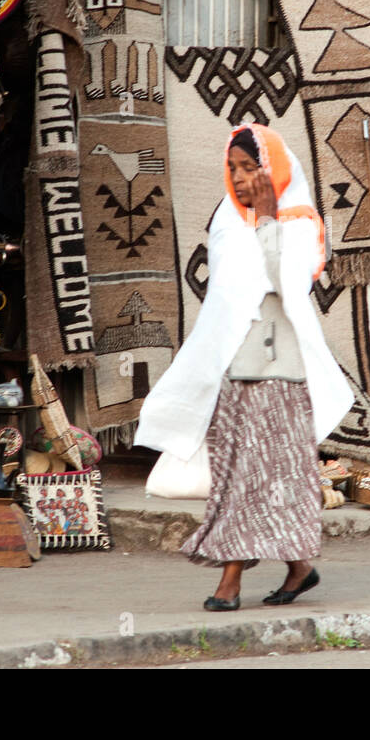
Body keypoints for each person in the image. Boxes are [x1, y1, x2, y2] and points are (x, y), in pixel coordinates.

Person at [134, 124, 353, 612]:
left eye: (250, 167)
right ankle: (298, 568)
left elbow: (285, 282)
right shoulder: (228, 221)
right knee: (244, 474)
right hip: (233, 371)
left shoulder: (299, 222)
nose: (238, 178)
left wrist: (270, 219)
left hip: (279, 373)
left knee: (256, 476)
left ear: (272, 170)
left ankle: (229, 581)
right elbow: (222, 302)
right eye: (232, 168)